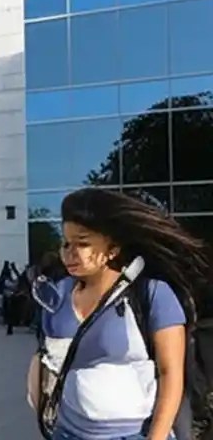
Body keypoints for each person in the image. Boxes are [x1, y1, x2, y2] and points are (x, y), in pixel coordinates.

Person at [39, 188, 208, 440]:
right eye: (66, 243)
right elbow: (45, 358)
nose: (69, 253)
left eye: (82, 243)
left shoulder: (152, 294)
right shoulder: (58, 294)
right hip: (67, 433)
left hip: (133, 434)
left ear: (112, 248)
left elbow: (170, 374)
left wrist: (156, 437)